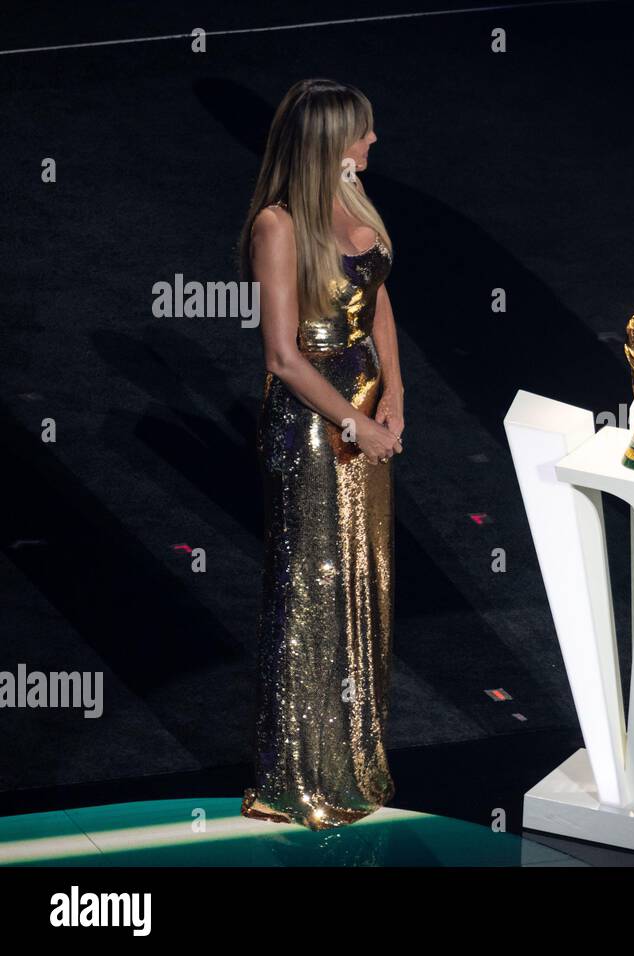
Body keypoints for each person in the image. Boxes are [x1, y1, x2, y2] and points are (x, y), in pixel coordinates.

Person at [237, 78, 405, 829]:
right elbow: (282, 356)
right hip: (312, 428)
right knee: (311, 591)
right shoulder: (278, 226)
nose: (372, 143)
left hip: (364, 413)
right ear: (329, 141)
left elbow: (378, 302)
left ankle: (352, 761)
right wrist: (352, 424)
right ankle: (294, 779)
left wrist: (394, 395)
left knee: (362, 580)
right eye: (362, 133)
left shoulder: (358, 208)